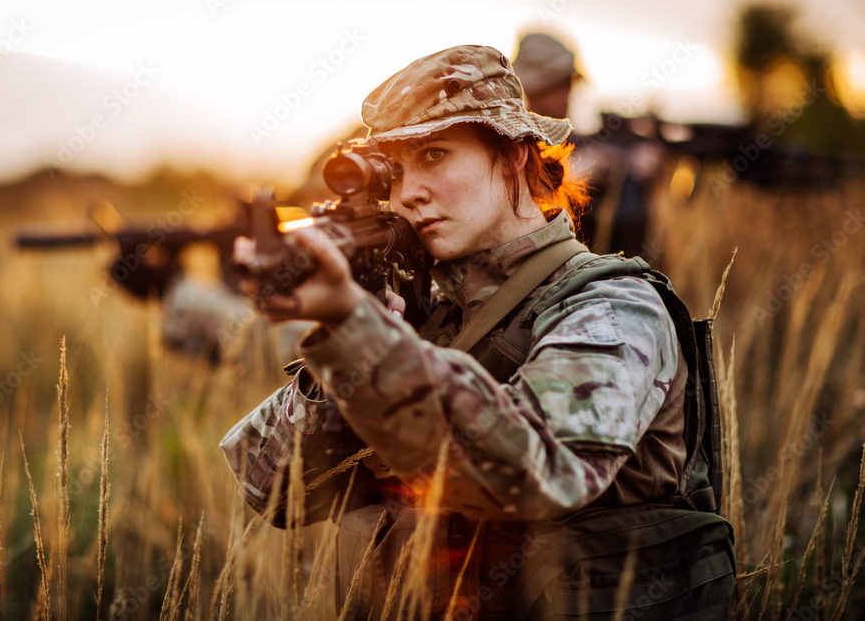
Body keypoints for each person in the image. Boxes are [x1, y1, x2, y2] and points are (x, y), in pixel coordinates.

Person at [220, 45, 735, 619]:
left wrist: (359, 331)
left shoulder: (612, 306)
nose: (408, 192)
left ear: (514, 155)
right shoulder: (424, 316)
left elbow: (539, 468)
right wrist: (344, 345)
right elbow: (273, 491)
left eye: (435, 155)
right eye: (394, 171)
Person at [512, 32, 666, 258]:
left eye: (569, 83)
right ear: (536, 87)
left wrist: (637, 163)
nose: (568, 93)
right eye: (559, 84)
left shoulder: (576, 139)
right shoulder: (512, 144)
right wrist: (569, 176)